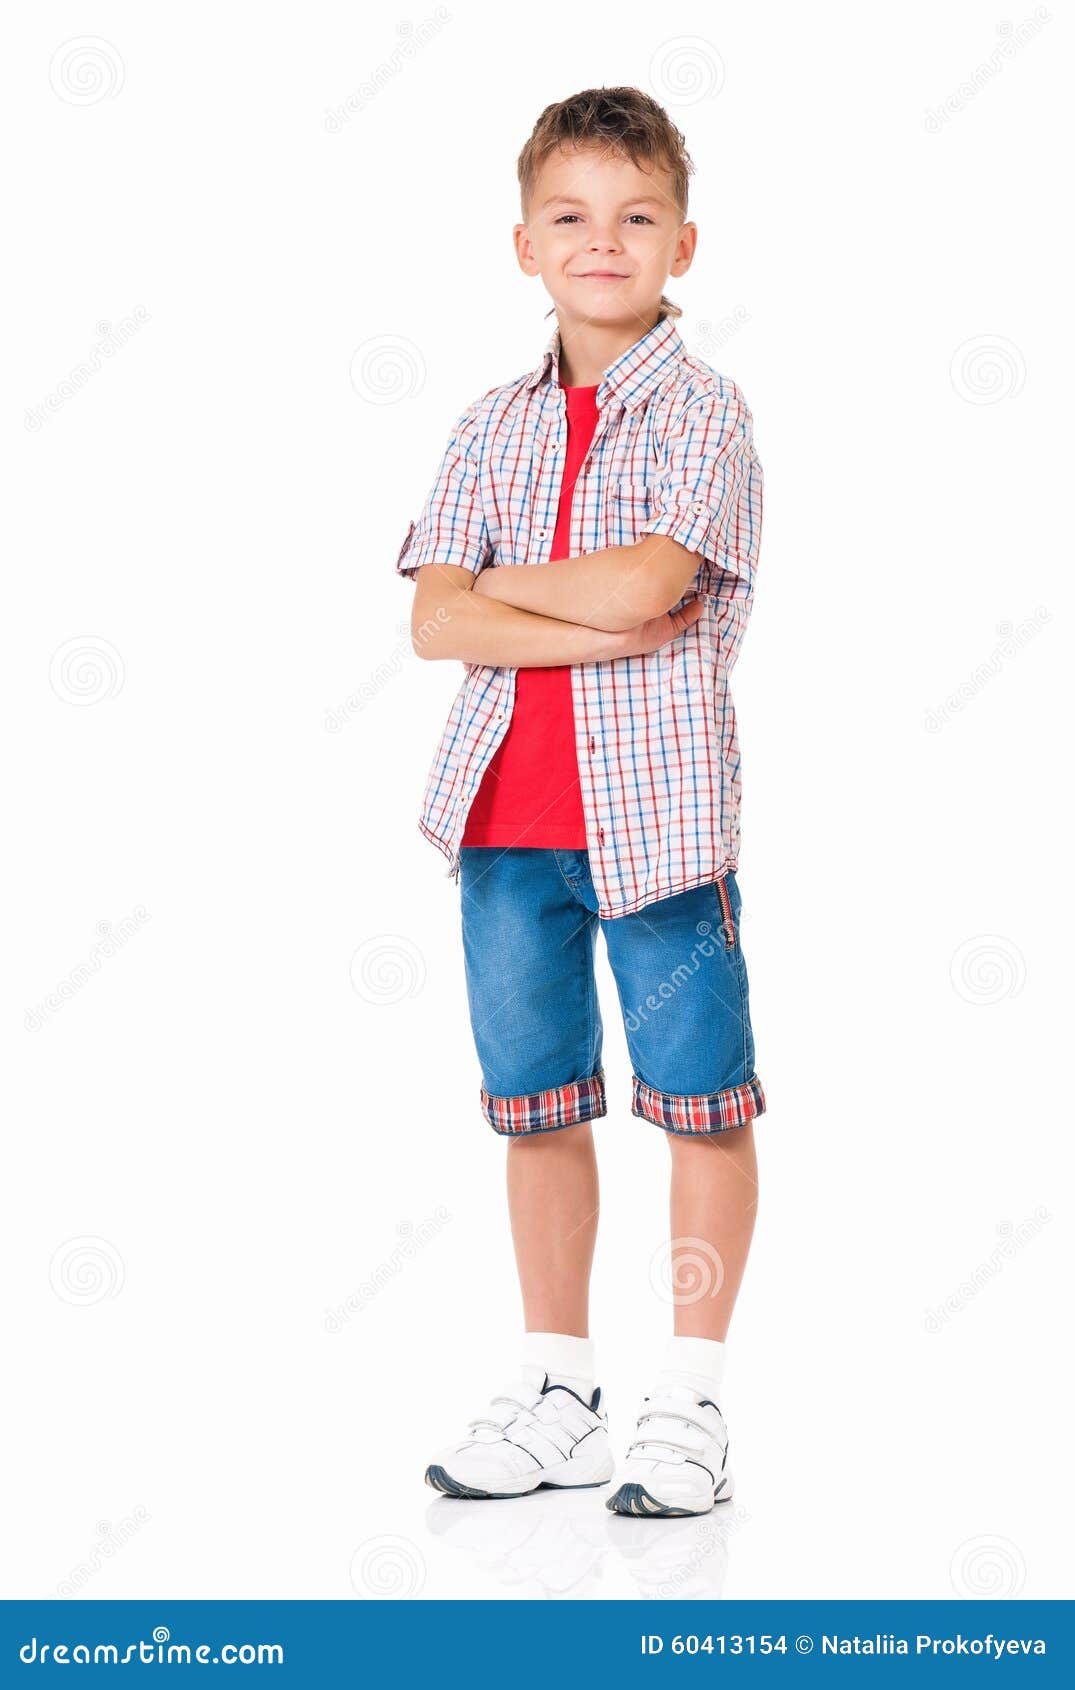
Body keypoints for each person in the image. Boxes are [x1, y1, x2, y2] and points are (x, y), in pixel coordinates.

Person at [395, 86, 765, 1518]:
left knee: (699, 1102)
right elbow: (435, 622)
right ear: (522, 243)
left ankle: (689, 1401)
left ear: (681, 240)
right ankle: (560, 1389)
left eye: (632, 217)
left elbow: (654, 585)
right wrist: (577, 609)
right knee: (536, 1107)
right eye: (570, 217)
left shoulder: (705, 412)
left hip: (661, 824)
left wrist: (513, 592)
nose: (600, 241)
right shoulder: (490, 425)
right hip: (501, 823)